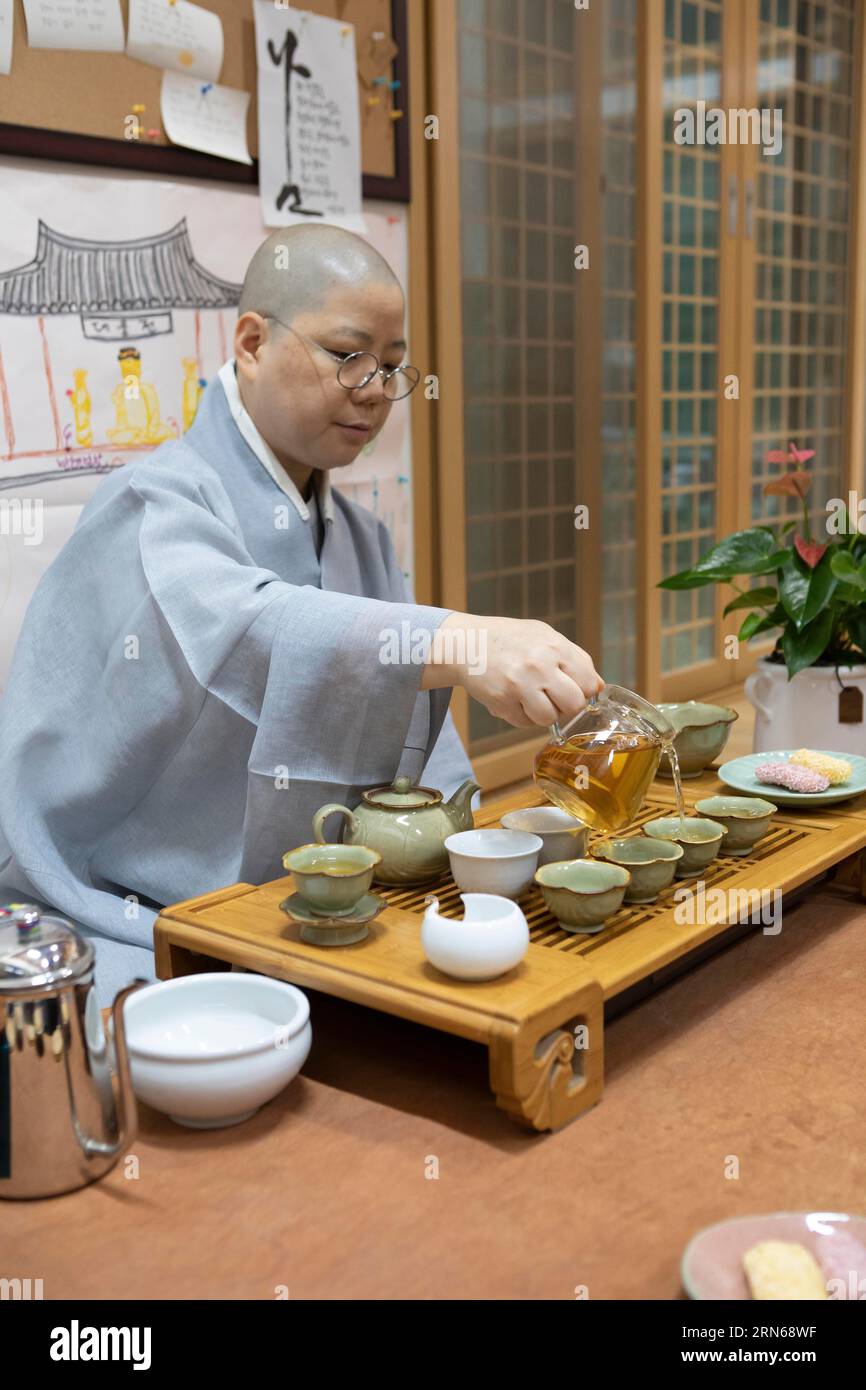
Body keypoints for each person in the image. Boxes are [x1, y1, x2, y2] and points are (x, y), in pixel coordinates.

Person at [0, 225, 603, 1002]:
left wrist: (470, 850)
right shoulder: (153, 505)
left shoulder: (358, 534)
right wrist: (460, 638)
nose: (375, 388)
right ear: (252, 343)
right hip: (127, 909)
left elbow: (424, 749)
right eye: (348, 355)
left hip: (321, 902)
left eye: (392, 365)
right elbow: (242, 627)